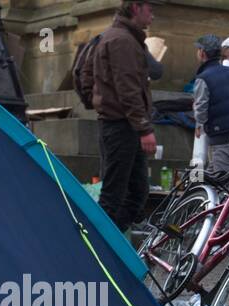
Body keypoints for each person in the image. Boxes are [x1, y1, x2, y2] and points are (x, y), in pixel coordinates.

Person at [92, 0, 158, 233]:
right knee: (115, 196)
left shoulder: (123, 38)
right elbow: (127, 89)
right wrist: (144, 128)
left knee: (135, 192)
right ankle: (98, 249)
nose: (153, 14)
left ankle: (109, 245)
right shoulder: (122, 41)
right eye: (150, 8)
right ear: (136, 7)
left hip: (123, 125)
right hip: (121, 126)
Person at [191, 34, 229, 184]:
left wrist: (200, 123)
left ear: (202, 53)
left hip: (221, 139)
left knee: (223, 189)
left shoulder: (203, 78)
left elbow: (201, 113)